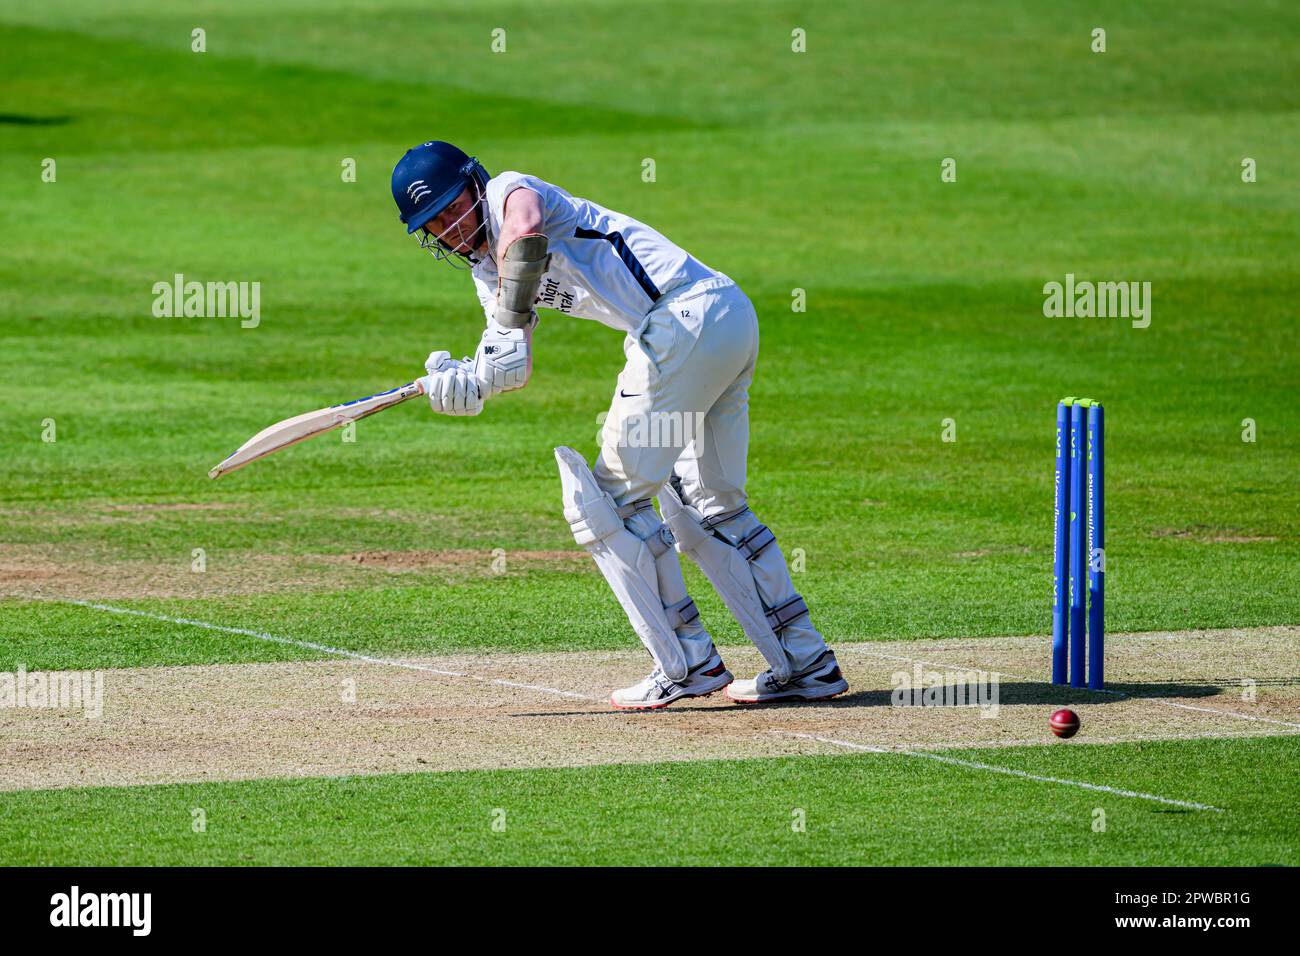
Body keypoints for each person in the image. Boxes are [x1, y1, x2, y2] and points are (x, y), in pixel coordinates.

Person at [391, 140, 848, 710]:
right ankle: (806, 663)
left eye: (450, 206)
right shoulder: (489, 276)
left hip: (681, 321)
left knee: (606, 504)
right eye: (432, 223)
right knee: (708, 505)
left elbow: (526, 233)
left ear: (474, 184)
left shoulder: (511, 190)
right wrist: (469, 383)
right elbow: (515, 363)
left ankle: (686, 663)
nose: (449, 226)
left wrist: (503, 333)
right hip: (721, 319)